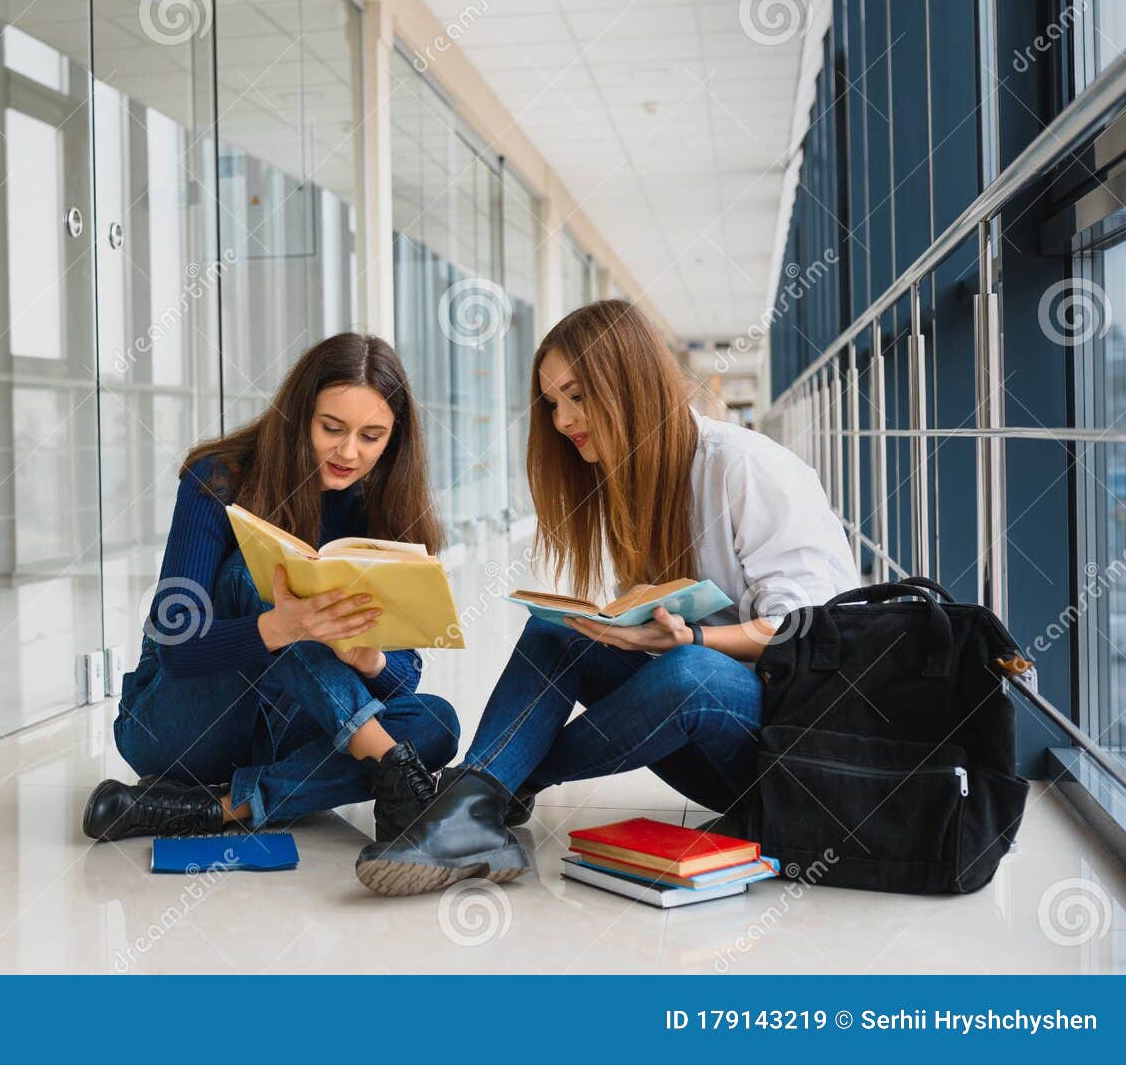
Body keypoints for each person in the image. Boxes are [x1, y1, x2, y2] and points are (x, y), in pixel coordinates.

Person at [355, 300, 859, 896]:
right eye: (552, 403)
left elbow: (809, 635)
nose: (564, 420)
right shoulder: (637, 482)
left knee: (692, 670)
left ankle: (478, 792)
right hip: (709, 742)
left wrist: (692, 638)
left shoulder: (746, 468)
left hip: (792, 749)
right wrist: (627, 624)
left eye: (577, 395)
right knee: (558, 633)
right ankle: (480, 802)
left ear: (630, 381)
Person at [83, 333, 460, 843]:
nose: (349, 452)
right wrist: (283, 625)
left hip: (286, 728)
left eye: (371, 437)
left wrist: (366, 658)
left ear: (393, 438)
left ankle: (217, 808)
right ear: (298, 415)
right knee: (251, 572)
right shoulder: (216, 479)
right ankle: (386, 762)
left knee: (437, 724)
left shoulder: (382, 508)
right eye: (332, 428)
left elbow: (404, 676)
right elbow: (176, 650)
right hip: (180, 727)